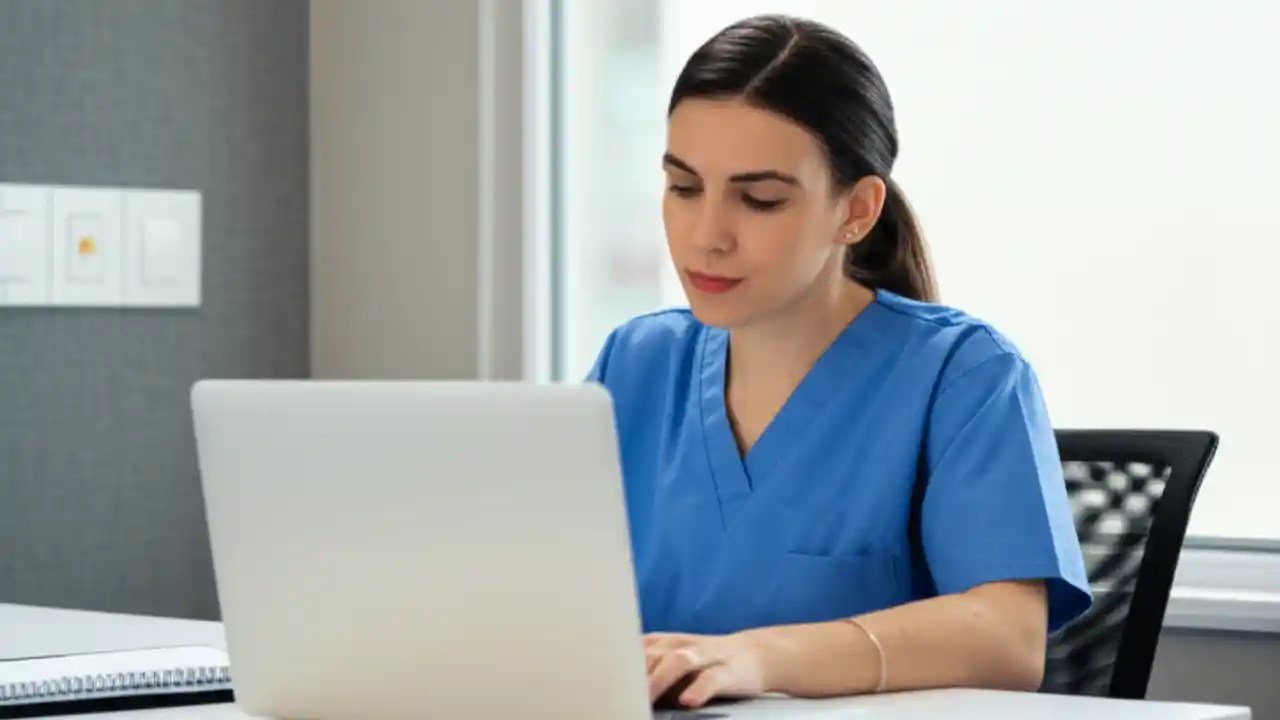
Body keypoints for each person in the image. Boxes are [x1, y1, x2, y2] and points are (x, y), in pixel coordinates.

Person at [584, 13, 1092, 710]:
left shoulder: (963, 375)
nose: (707, 236)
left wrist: (757, 657)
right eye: (684, 188)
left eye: (759, 200)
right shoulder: (635, 364)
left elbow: (1007, 640)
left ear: (855, 210)